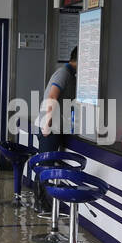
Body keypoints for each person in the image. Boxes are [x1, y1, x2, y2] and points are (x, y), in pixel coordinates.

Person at [34, 46, 77, 207]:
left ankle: (44, 202)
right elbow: (52, 96)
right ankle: (41, 203)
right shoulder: (63, 73)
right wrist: (47, 123)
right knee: (46, 165)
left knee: (48, 164)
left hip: (56, 127)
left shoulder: (71, 75)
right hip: (49, 128)